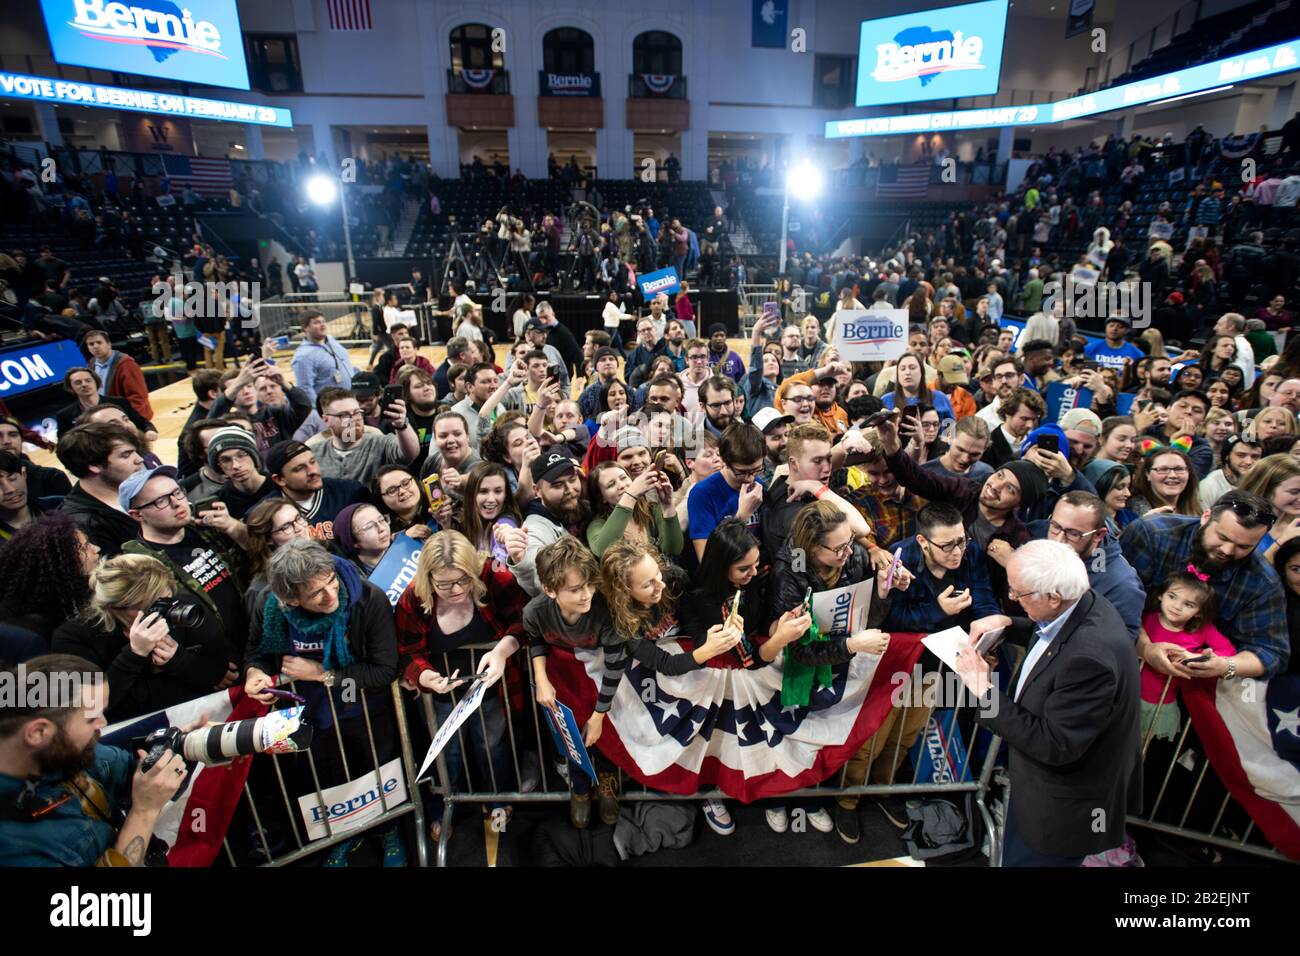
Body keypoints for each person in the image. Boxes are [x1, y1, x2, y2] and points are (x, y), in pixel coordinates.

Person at [952, 539, 1141, 867]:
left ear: (1053, 596)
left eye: (1018, 594)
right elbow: (1052, 637)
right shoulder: (1084, 602)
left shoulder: (1089, 659)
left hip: (1060, 808)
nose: (1011, 599)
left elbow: (1054, 744)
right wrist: (1009, 625)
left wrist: (983, 690)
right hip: (1038, 792)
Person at [243, 539, 403, 866]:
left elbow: (385, 669)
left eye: (331, 581)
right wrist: (254, 673)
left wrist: (322, 673)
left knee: (377, 771)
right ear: (290, 600)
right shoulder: (270, 606)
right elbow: (257, 652)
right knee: (323, 779)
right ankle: (344, 835)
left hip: (363, 710)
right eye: (316, 593)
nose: (331, 594)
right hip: (308, 715)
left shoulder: (367, 598)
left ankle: (389, 831)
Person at [596, 538, 745, 823]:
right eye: (648, 584)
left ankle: (707, 788)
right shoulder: (619, 623)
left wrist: (720, 632)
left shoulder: (674, 580)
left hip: (694, 681)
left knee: (708, 735)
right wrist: (706, 651)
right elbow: (665, 664)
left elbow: (692, 621)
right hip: (652, 692)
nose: (659, 585)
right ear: (624, 591)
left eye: (657, 575)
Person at [767, 500, 892, 837]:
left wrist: (882, 593)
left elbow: (866, 618)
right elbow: (800, 651)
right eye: (837, 548)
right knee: (787, 735)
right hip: (793, 671)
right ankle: (776, 797)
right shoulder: (788, 573)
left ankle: (810, 794)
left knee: (819, 738)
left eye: (850, 543)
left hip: (834, 665)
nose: (847, 554)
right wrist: (851, 646)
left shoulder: (855, 560)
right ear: (811, 546)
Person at [394, 530, 526, 841]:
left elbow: (525, 621)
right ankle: (443, 805)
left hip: (492, 687)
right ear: (428, 578)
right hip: (442, 692)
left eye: (463, 580)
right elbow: (408, 652)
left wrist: (501, 652)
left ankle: (499, 798)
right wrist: (426, 677)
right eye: (443, 584)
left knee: (492, 744)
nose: (455, 590)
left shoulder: (494, 579)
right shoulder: (413, 597)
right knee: (447, 751)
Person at [0, 654, 189, 867]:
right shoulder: (11, 845)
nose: (103, 724)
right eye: (92, 718)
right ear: (37, 732)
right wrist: (144, 812)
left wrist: (184, 744)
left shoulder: (62, 749)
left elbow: (136, 772)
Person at [1121, 489, 1289, 678]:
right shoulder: (1153, 534)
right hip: (1121, 659)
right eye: (1223, 538)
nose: (1227, 550)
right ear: (1206, 517)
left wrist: (1227, 666)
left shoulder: (1262, 581)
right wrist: (1145, 648)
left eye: (1244, 547)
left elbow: (1272, 653)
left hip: (1196, 686)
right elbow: (1115, 604)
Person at [51, 555, 232, 721]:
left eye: (167, 599)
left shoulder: (183, 610)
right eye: (153, 605)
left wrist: (179, 660)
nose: (163, 610)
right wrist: (134, 654)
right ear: (114, 607)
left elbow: (216, 672)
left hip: (197, 716)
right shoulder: (73, 637)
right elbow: (89, 707)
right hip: (130, 730)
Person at [1031, 491, 1145, 640]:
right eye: (1055, 526)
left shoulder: (1122, 584)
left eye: (1073, 534)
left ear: (1098, 535)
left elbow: (1116, 647)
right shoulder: (1052, 551)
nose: (1058, 540)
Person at [1138, 568, 1234, 742]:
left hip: (1161, 704)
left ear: (1198, 611)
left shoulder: (1203, 630)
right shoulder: (1145, 618)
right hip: (1129, 694)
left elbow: (1228, 651)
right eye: (1172, 596)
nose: (1177, 606)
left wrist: (1198, 656)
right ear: (1161, 595)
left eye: (1188, 604)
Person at [0, 517, 101, 653]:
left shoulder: (74, 594)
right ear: (60, 563)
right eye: (84, 548)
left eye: (90, 543)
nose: (96, 549)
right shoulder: (33, 631)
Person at [501, 450, 589, 596]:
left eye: (572, 480)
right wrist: (521, 560)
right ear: (537, 491)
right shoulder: (535, 528)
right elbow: (540, 583)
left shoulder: (582, 506)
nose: (569, 490)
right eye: (557, 485)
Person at [56, 422, 145, 558]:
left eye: (135, 452)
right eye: (126, 455)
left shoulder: (139, 487)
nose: (139, 459)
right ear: (94, 465)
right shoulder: (83, 525)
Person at [687, 422, 766, 560]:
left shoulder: (758, 485)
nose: (749, 478)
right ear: (723, 460)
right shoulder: (702, 494)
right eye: (741, 472)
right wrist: (741, 517)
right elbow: (707, 560)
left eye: (756, 470)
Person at [264, 440, 366, 542]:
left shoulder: (350, 492)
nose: (313, 471)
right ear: (279, 479)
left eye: (312, 462)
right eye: (299, 468)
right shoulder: (264, 515)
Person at [314, 388, 419, 485]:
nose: (354, 419)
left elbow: (410, 454)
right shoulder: (314, 454)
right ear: (326, 420)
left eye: (357, 412)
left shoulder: (379, 443)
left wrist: (401, 425)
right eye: (344, 415)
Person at [586, 460, 682, 559]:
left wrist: (668, 506)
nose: (622, 485)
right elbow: (604, 550)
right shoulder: (596, 525)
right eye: (611, 485)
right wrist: (630, 496)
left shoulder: (651, 507)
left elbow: (674, 549)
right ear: (602, 498)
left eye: (623, 478)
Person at [56, 367, 155, 441]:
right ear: (70, 388)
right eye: (78, 382)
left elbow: (141, 422)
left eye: (88, 380)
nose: (84, 384)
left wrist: (149, 430)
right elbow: (65, 443)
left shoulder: (119, 402)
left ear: (96, 382)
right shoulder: (65, 415)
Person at [1235, 453, 1300, 559]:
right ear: (1267, 488)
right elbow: (1244, 573)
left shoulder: (1296, 524)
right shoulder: (1240, 523)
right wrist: (1282, 542)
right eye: (1294, 492)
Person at [81, 329, 153, 421]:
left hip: (129, 418)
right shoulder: (91, 364)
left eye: (99, 342)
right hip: (106, 417)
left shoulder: (126, 364)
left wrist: (127, 419)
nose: (95, 346)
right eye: (91, 344)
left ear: (109, 344)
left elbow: (138, 397)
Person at [291, 311, 357, 405]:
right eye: (317, 322)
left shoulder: (330, 339)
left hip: (350, 399)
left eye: (324, 321)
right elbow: (305, 388)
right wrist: (320, 411)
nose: (323, 325)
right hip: (332, 408)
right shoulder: (303, 356)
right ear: (306, 328)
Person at [983, 388, 1046, 469]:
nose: (1030, 425)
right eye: (1024, 419)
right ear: (1008, 413)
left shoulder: (1036, 443)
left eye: (1034, 419)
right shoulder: (988, 446)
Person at [1129, 446, 1200, 517]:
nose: (1173, 475)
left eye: (1179, 469)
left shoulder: (1197, 508)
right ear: (1147, 474)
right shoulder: (1133, 512)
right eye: (1163, 469)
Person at [923, 414, 993, 484]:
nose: (965, 459)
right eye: (960, 449)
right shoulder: (926, 473)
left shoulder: (987, 475)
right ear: (950, 437)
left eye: (974, 454)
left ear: (985, 449)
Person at [374, 463, 435, 538]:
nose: (402, 491)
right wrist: (403, 538)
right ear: (381, 499)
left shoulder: (437, 503)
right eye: (392, 490)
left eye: (406, 483)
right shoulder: (381, 527)